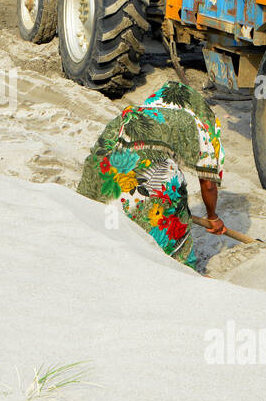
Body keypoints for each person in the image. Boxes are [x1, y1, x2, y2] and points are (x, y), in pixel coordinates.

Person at [76, 80, 226, 270]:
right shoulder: (194, 122)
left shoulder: (133, 114)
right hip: (142, 180)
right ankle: (181, 272)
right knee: (168, 202)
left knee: (110, 231)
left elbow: (99, 153)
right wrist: (213, 217)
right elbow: (209, 184)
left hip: (100, 175)